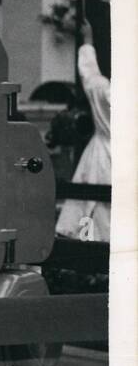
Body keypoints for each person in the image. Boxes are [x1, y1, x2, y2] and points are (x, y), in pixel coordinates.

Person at [55, 13, 110, 242]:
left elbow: (90, 76)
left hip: (103, 155)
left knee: (97, 210)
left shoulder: (107, 93)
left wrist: (87, 42)